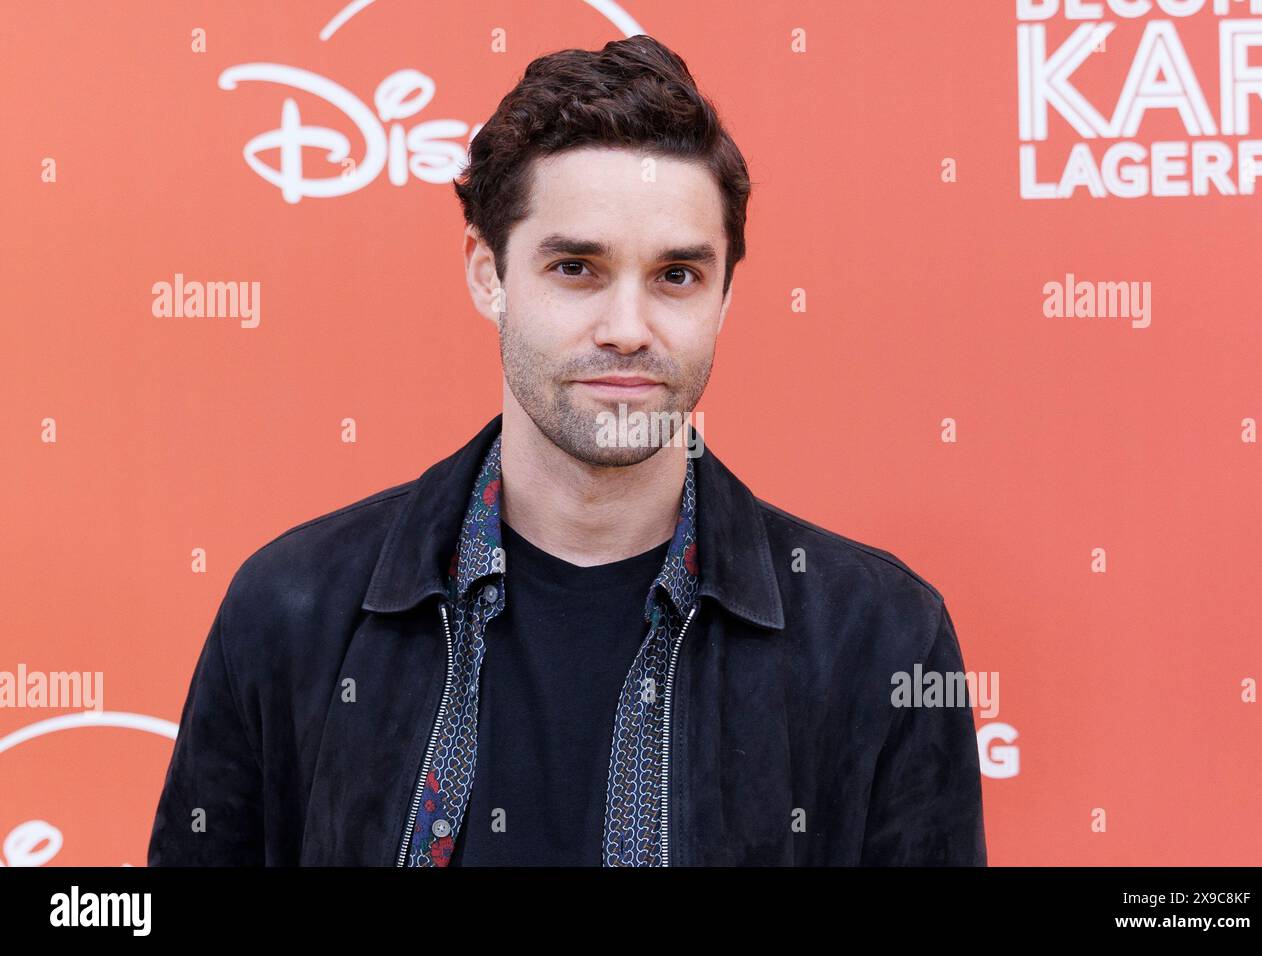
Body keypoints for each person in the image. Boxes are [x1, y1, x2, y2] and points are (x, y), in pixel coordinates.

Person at [148, 33, 987, 867]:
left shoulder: (879, 637)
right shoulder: (292, 608)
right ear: (488, 274)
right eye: (577, 268)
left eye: (677, 276)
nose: (627, 330)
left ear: (726, 295)